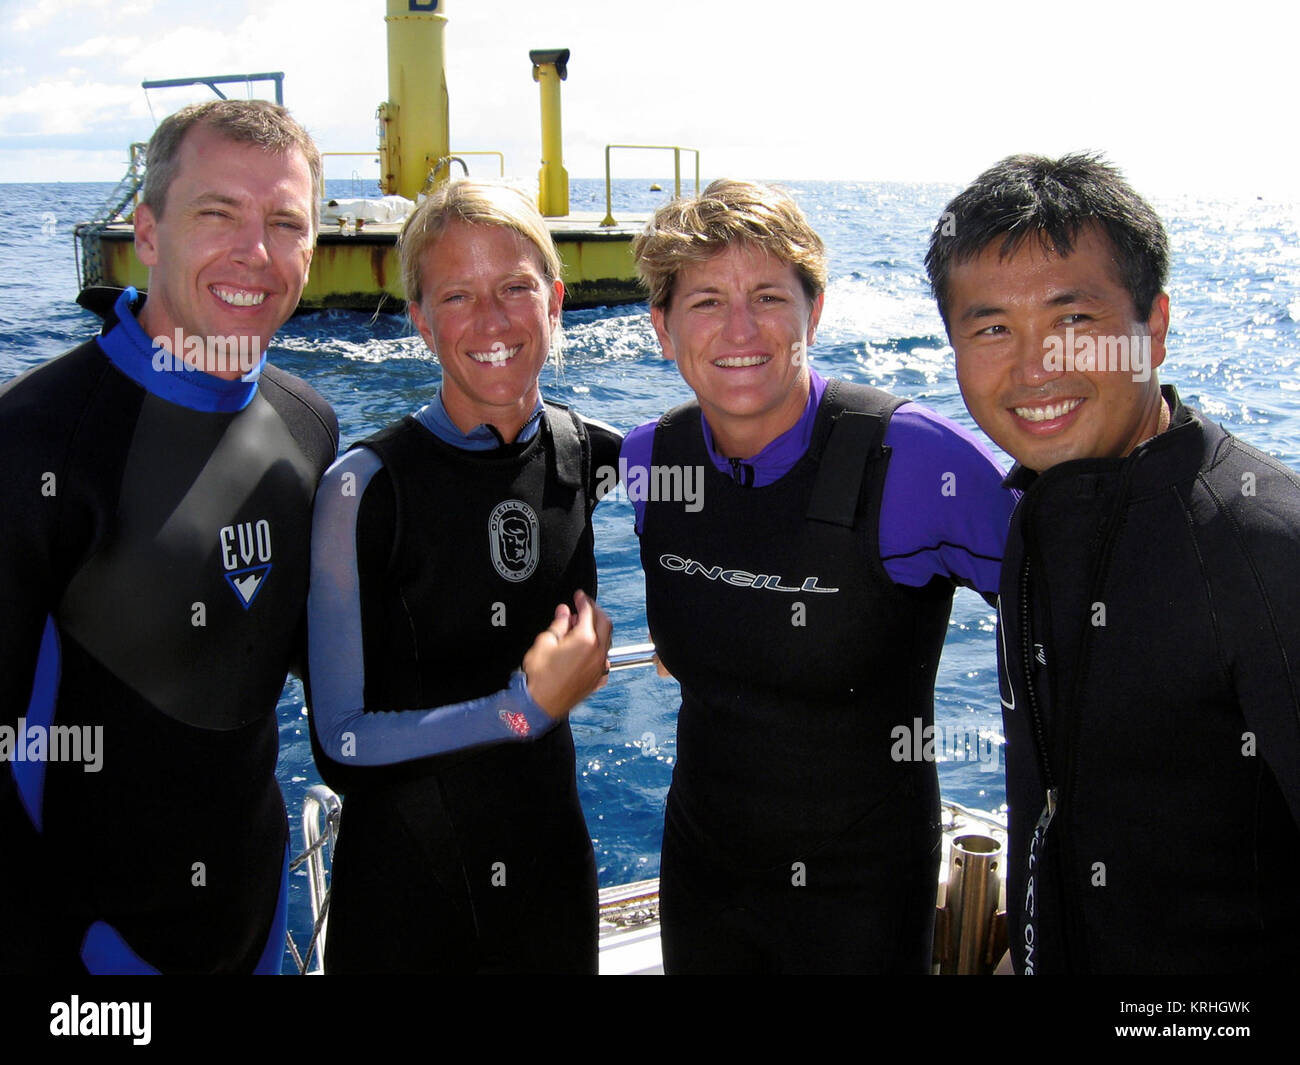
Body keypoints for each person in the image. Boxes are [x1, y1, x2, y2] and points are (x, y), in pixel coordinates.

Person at [625, 179, 1016, 973]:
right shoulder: (648, 460)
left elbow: (1066, 611)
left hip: (861, 897)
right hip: (703, 875)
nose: (740, 328)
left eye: (769, 295)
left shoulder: (911, 458)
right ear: (662, 327)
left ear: (816, 310)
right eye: (704, 301)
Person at [925, 152, 1300, 974]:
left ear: (1154, 328)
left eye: (1073, 321)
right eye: (992, 328)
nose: (1034, 369)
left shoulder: (1264, 542)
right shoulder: (1041, 511)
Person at [0, 100, 338, 973]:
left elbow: (305, 649)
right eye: (216, 212)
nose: (254, 252)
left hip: (257, 927)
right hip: (86, 959)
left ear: (311, 249)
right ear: (146, 231)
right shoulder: (33, 442)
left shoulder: (307, 425)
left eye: (284, 223)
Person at [307, 181, 619, 974]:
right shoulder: (364, 487)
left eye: (515, 287)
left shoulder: (594, 454)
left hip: (550, 875)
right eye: (457, 295)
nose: (491, 320)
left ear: (554, 300)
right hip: (406, 893)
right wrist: (521, 711)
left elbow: (735, 482)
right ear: (420, 320)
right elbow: (341, 740)